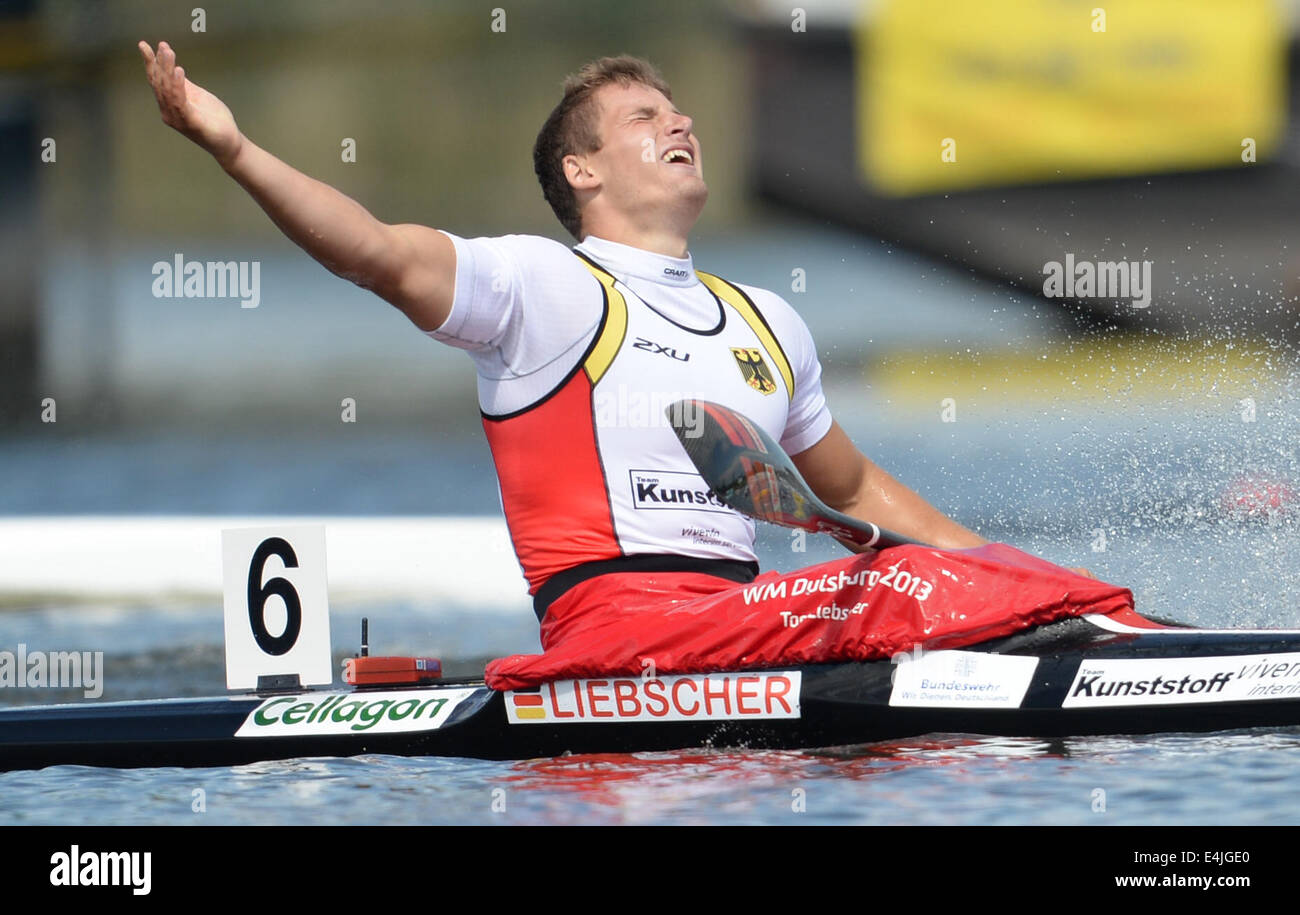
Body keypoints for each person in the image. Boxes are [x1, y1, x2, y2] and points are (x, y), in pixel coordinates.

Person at [138, 44, 1109, 684]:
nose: (680, 125)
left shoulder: (765, 320)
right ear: (583, 171)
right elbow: (373, 252)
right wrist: (233, 148)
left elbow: (862, 493)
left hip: (747, 626)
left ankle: (1127, 641)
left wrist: (1029, 584)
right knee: (893, 591)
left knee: (991, 582)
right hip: (619, 637)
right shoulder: (542, 288)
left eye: (680, 112)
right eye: (644, 118)